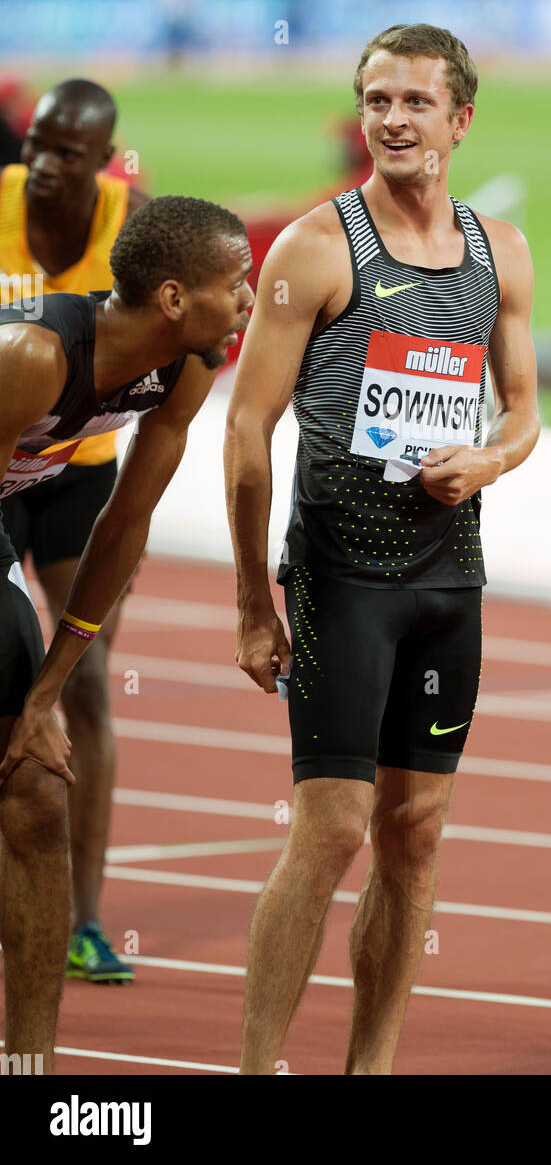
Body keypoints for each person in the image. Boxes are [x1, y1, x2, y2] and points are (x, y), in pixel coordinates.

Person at [225, 22, 539, 1075]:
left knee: (416, 833)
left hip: (450, 575)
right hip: (340, 575)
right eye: (376, 101)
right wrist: (244, 599)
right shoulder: (319, 246)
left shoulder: (501, 250)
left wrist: (485, 464)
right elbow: (245, 429)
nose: (392, 120)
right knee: (329, 832)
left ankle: (371, 1068)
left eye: (414, 102)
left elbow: (526, 416)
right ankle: (260, 1066)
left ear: (459, 118)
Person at [0, 194, 253, 1072]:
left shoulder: (185, 369)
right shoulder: (31, 355)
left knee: (34, 786)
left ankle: (27, 1066)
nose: (251, 300)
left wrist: (45, 693)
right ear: (176, 297)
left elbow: (125, 524)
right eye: (237, 282)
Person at [0, 78, 149, 983]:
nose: (43, 166)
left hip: (78, 476)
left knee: (83, 685)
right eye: (35, 146)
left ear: (104, 160)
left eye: (65, 153)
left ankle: (82, 919)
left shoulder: (133, 229)